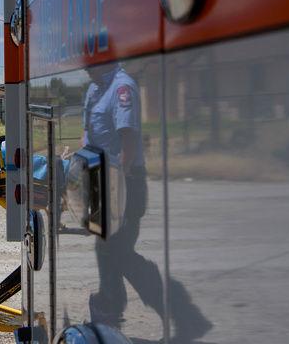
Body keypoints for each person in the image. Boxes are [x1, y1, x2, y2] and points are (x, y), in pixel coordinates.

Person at [83, 64, 211, 343]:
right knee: (105, 251)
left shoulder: (121, 86)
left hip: (122, 181)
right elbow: (90, 137)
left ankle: (180, 315)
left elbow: (128, 140)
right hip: (97, 179)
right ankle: (110, 318)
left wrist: (118, 185)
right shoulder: (94, 88)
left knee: (120, 253)